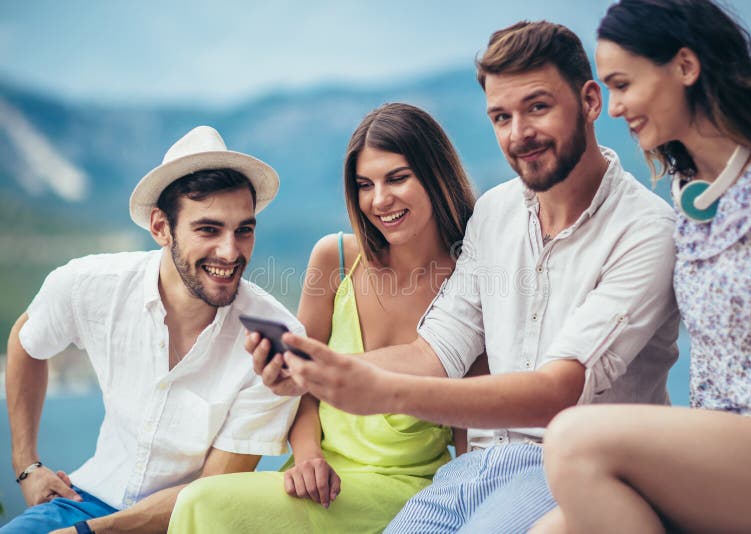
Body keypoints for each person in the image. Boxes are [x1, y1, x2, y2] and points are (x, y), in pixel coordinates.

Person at [251, 21, 681, 533]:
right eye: (501, 116)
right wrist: (318, 369)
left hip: (573, 467)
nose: (518, 133)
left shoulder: (646, 231)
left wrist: (380, 389)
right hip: (472, 470)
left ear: (590, 101)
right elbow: (436, 352)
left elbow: (560, 390)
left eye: (537, 107)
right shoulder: (495, 212)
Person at [533, 1, 751, 532]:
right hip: (720, 439)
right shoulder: (691, 198)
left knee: (572, 439)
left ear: (684, 66)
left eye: (623, 84)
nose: (612, 108)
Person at [167, 103, 477, 533]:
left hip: (407, 493)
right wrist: (309, 455)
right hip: (315, 480)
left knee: (202, 502)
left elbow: (471, 426)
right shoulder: (334, 258)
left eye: (398, 177)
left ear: (435, 174)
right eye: (365, 184)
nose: (379, 199)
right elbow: (301, 389)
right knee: (204, 502)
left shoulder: (471, 282)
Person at [2, 126, 303, 534]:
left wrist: (93, 532)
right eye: (208, 229)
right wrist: (27, 466)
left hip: (186, 524)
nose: (231, 252)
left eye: (244, 230)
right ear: (161, 227)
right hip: (82, 502)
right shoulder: (89, 284)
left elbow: (209, 493)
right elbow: (26, 341)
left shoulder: (273, 342)